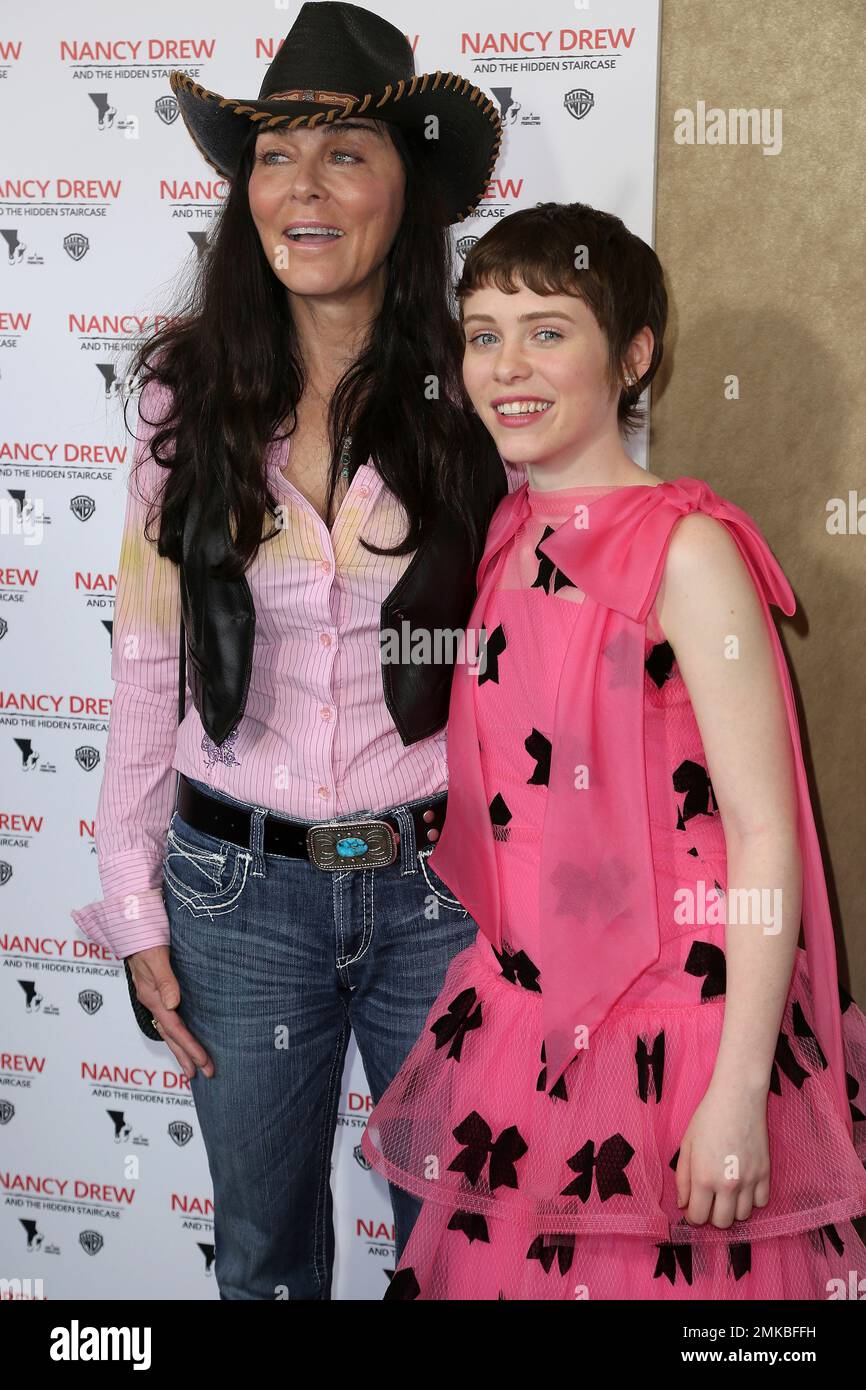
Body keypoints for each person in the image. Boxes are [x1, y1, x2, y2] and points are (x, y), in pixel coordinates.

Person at [70, 2, 516, 1299]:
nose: (300, 188)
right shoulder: (181, 398)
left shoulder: (481, 398)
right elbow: (148, 669)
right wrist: (134, 904)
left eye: (342, 152)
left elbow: (534, 669)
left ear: (408, 194)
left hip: (448, 898)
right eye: (273, 155)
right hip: (232, 901)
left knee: (455, 1256)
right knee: (264, 1263)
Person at [361, 201, 866, 1299]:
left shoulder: (686, 549)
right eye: (484, 332)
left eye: (547, 329)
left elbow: (765, 831)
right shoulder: (507, 531)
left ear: (632, 356)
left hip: (678, 1043)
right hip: (527, 1033)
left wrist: (736, 1088)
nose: (506, 364)